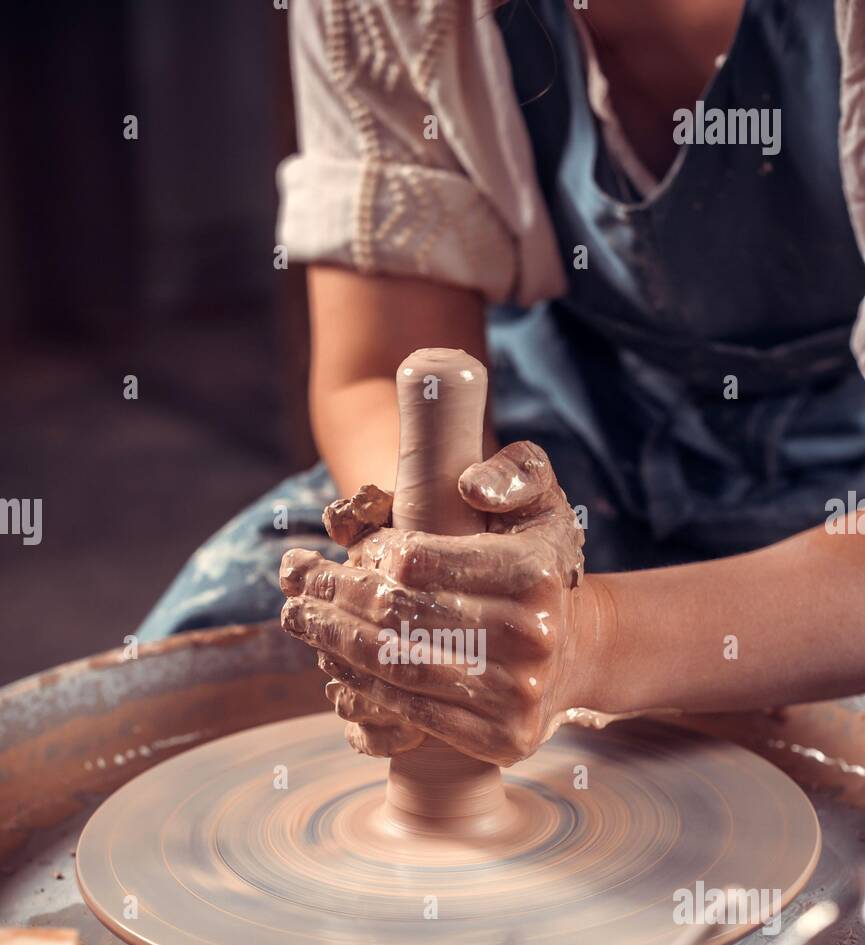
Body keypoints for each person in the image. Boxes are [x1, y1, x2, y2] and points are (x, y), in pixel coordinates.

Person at [140, 0, 865, 765]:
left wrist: (591, 642)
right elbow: (382, 364)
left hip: (838, 508)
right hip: (557, 446)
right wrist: (443, 576)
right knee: (204, 658)